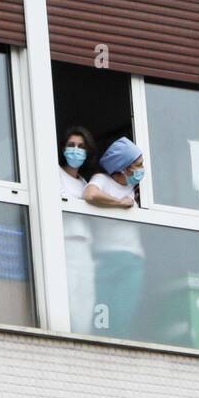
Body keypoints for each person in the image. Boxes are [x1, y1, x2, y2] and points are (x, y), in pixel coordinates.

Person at [84, 137, 146, 338]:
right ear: (123, 169)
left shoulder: (137, 190)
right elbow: (90, 195)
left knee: (123, 313)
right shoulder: (103, 181)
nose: (142, 169)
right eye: (138, 165)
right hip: (104, 259)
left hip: (132, 259)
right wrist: (119, 203)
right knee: (102, 313)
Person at [59, 127, 97, 335]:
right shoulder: (54, 174)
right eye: (71, 145)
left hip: (85, 248)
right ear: (63, 149)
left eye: (81, 147)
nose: (76, 150)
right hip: (67, 243)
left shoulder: (84, 184)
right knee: (70, 300)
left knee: (86, 301)